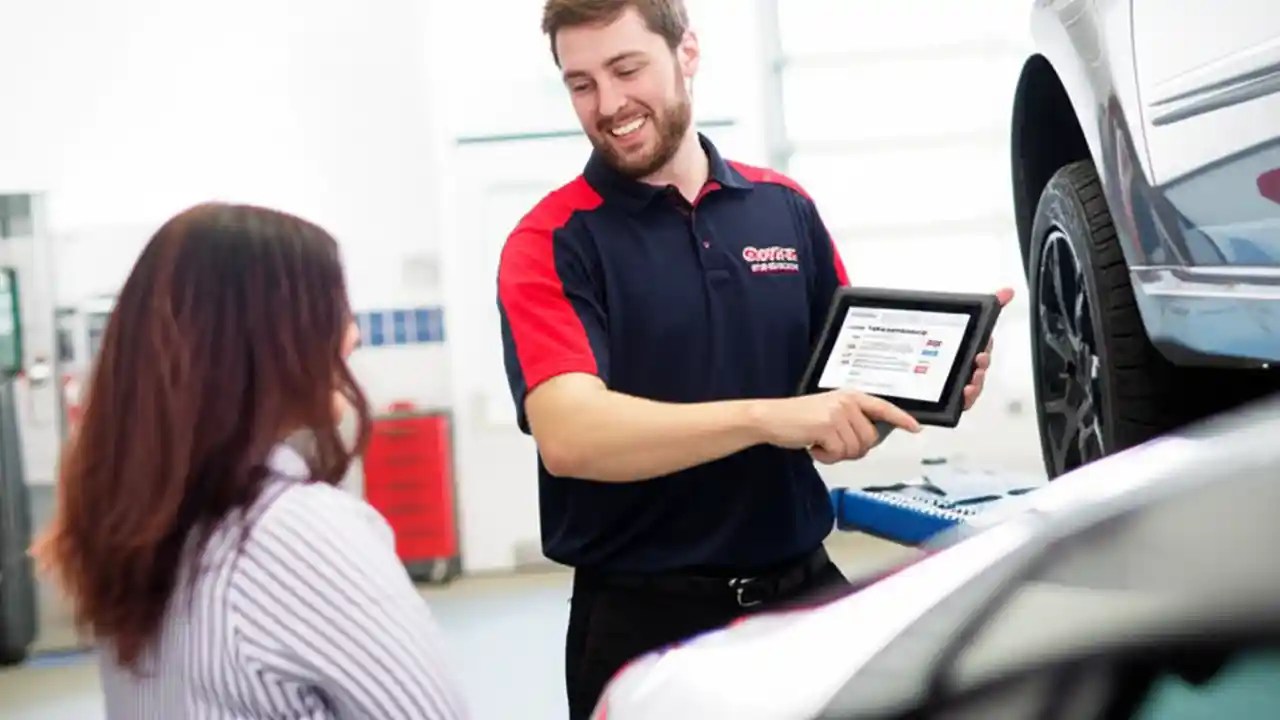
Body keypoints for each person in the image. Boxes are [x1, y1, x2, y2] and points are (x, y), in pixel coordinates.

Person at [496, 1, 1014, 717]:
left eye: (626, 68)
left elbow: (830, 411)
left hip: (805, 600)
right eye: (580, 83)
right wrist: (771, 419)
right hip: (647, 627)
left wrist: (922, 390)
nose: (609, 104)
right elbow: (571, 435)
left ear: (687, 53)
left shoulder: (783, 208)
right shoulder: (551, 240)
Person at [32, 202, 468, 719]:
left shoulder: (146, 527)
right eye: (330, 306)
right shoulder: (294, 533)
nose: (352, 332)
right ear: (266, 340)